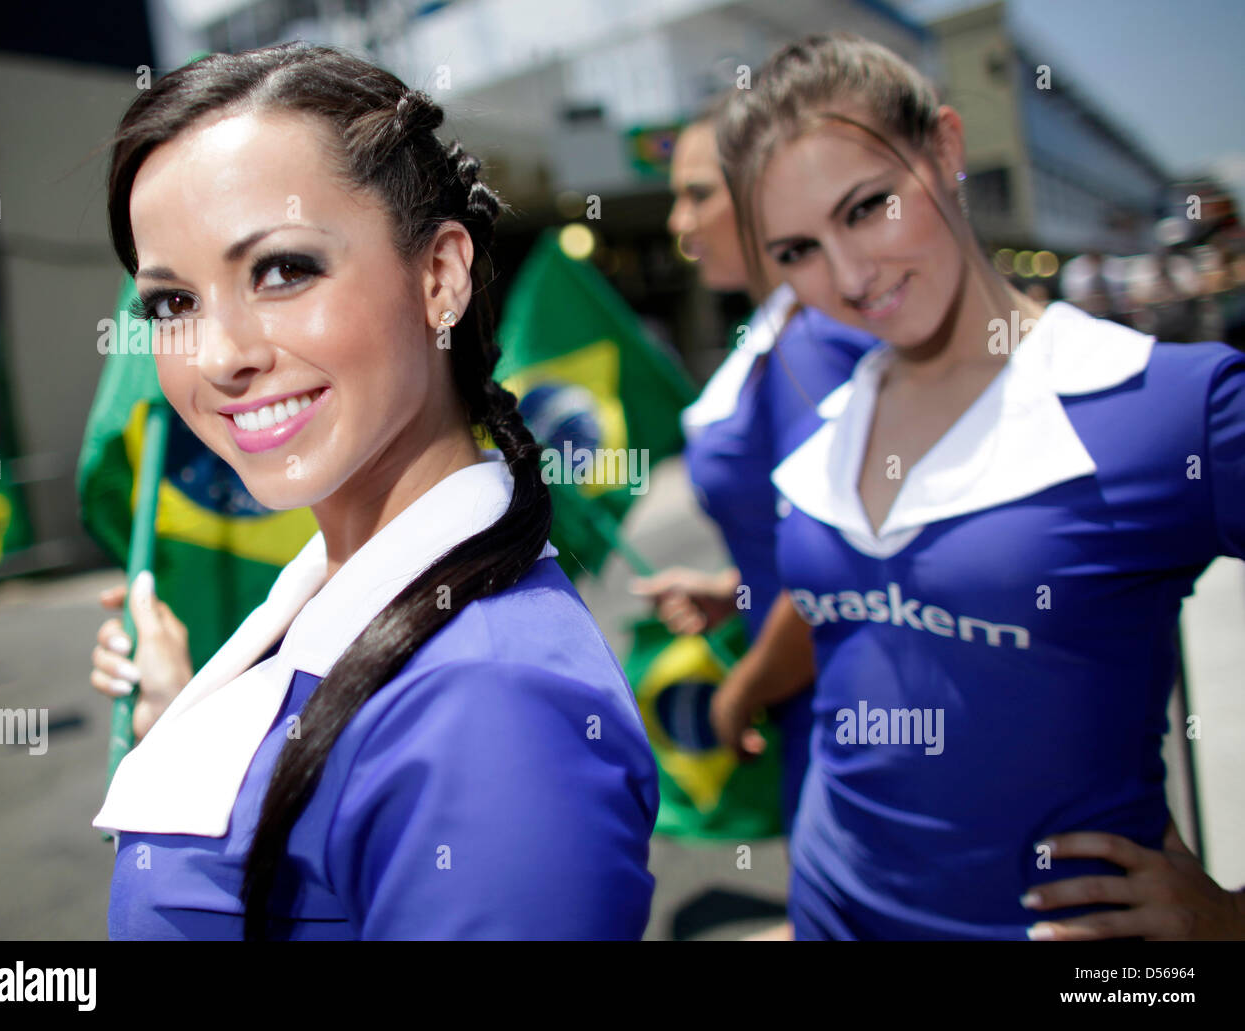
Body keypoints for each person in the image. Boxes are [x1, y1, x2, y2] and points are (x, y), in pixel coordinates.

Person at [88, 42, 658, 941]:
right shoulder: (341, 597)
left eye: (282, 270)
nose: (220, 355)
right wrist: (186, 706)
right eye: (172, 304)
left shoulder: (497, 716)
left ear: (440, 277)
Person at [712, 32, 1245, 940]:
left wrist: (1232, 920)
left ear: (946, 152)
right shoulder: (833, 424)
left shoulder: (1166, 407)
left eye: (870, 206)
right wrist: (741, 681)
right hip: (827, 908)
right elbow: (862, 596)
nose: (848, 277)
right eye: (798, 249)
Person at [634, 97, 875, 839]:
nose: (679, 222)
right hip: (815, 689)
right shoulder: (781, 326)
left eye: (698, 193)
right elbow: (807, 537)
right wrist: (736, 590)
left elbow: (848, 564)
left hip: (849, 695)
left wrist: (741, 688)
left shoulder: (818, 336)